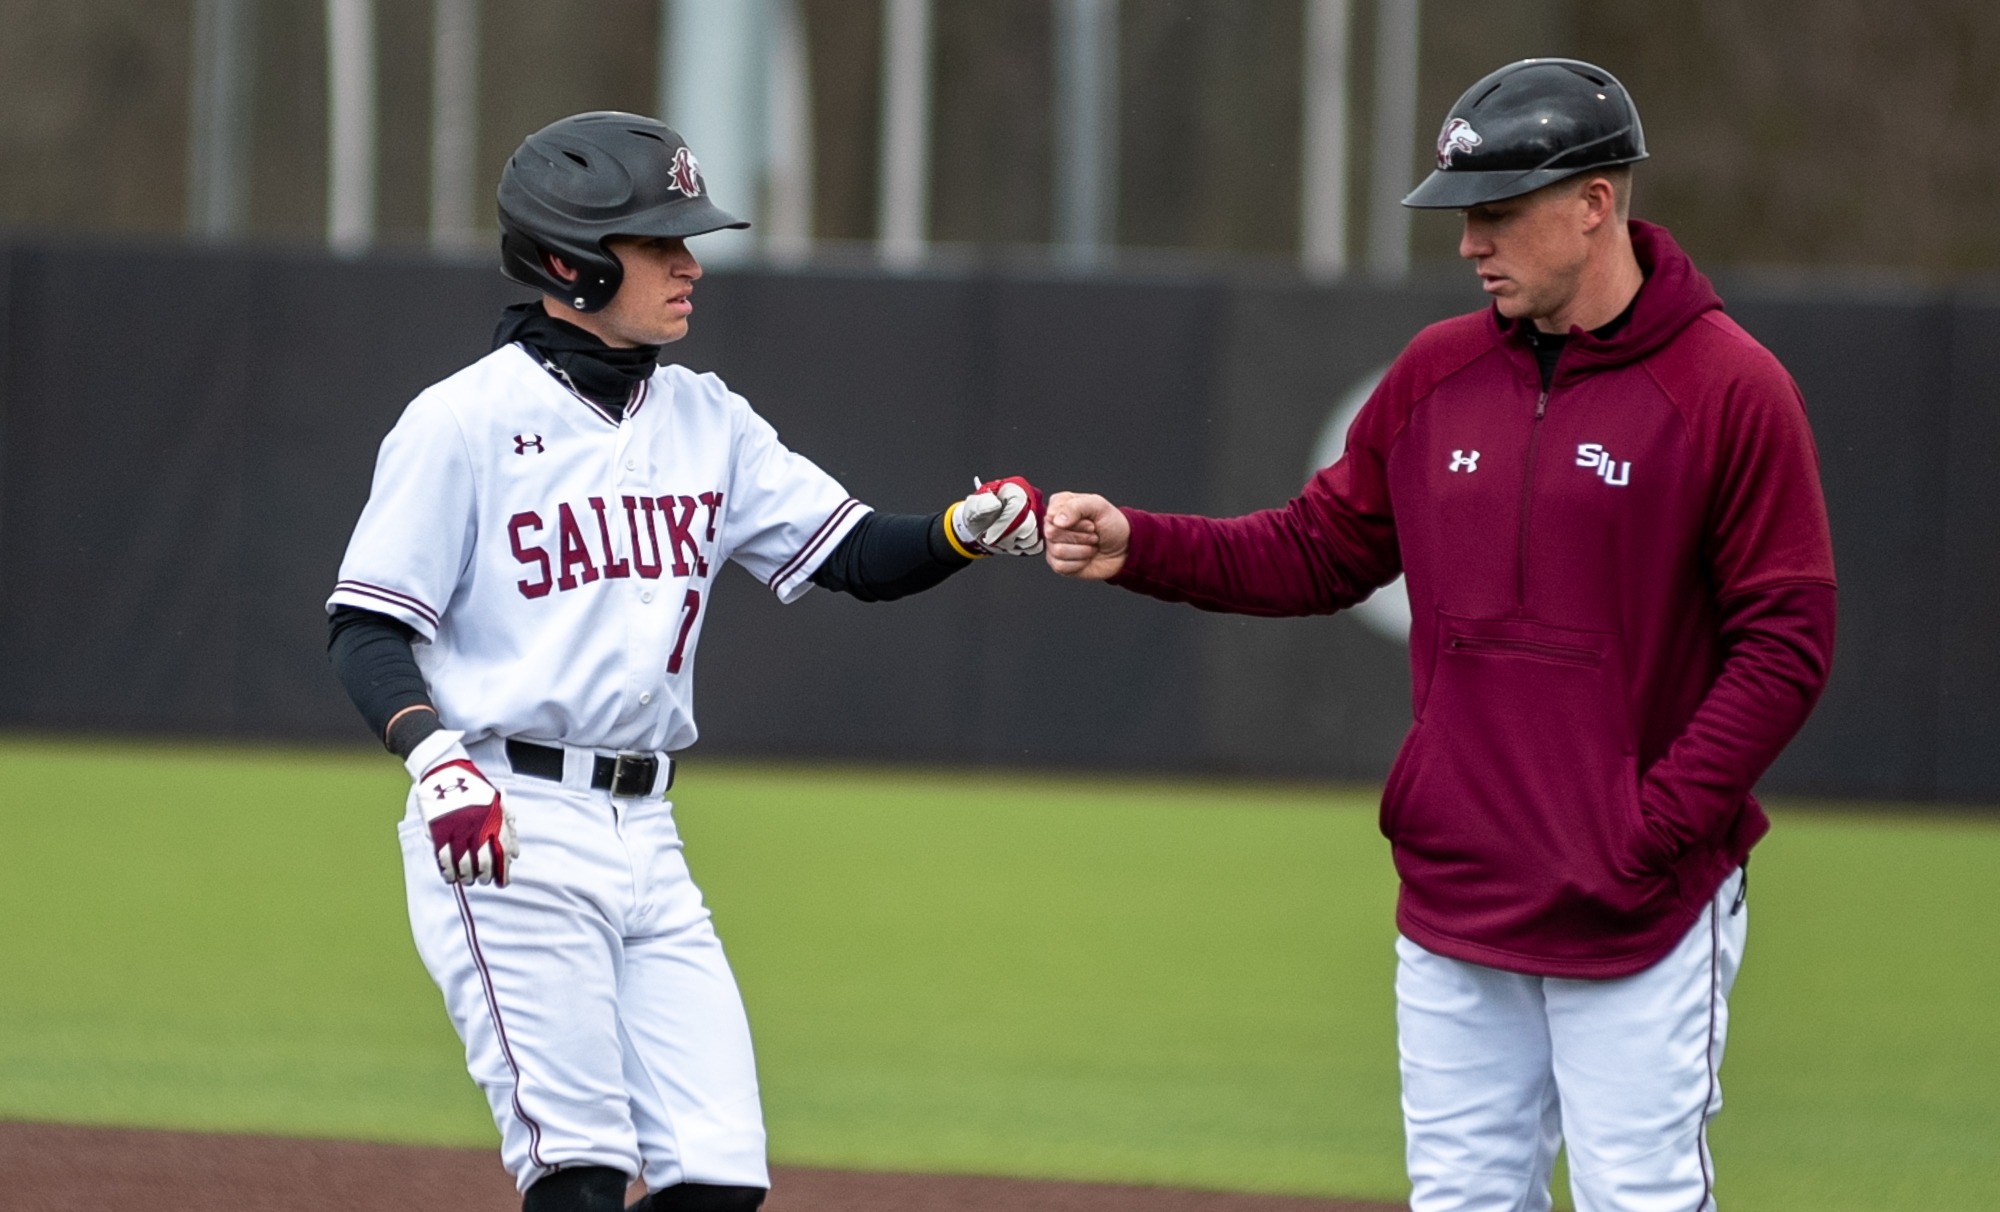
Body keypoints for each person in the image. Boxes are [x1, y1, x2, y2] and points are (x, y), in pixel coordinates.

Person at [1044, 59, 1835, 1211]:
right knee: (1459, 1203)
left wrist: (1651, 824)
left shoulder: (1729, 388)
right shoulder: (1434, 376)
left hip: (1637, 904)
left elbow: (1786, 642)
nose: (1470, 244)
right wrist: (1140, 544)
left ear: (1594, 203)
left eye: (1497, 213)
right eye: (1463, 217)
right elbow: (1319, 550)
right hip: (1458, 886)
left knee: (1640, 1200)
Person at [325, 112, 1043, 1212]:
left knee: (716, 1176)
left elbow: (850, 552)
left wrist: (961, 528)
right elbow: (368, 625)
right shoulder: (461, 422)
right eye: (660, 242)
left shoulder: (705, 417)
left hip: (646, 833)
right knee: (581, 1168)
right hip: (504, 819)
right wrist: (435, 762)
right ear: (569, 261)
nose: (689, 263)